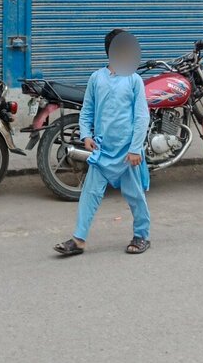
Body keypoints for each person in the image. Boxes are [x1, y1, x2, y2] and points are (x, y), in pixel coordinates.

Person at [54, 29, 151, 257]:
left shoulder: (134, 80)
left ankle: (141, 235)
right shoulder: (96, 78)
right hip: (102, 150)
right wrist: (86, 135)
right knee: (90, 194)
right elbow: (87, 110)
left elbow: (141, 116)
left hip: (128, 153)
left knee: (135, 196)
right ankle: (78, 240)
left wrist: (136, 148)